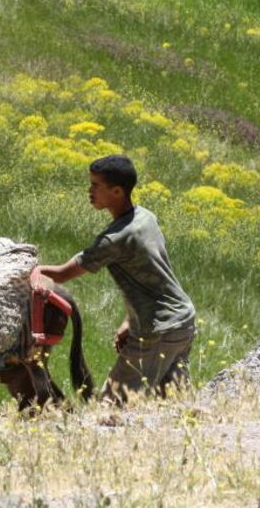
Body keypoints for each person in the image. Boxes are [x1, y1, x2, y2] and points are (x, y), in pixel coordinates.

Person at [35, 154, 197, 404]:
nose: (89, 191)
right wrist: (130, 321)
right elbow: (150, 278)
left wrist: (23, 270)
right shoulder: (145, 217)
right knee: (174, 403)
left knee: (111, 408)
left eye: (96, 186)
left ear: (117, 191)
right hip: (182, 321)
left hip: (158, 330)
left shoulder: (114, 239)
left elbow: (61, 274)